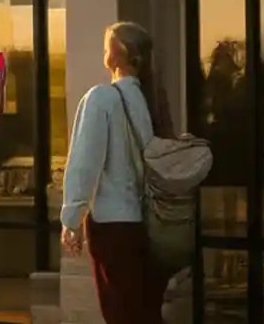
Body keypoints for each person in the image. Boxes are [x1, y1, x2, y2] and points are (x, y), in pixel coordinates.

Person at [60, 22, 173, 324]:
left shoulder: (102, 98)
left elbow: (84, 164)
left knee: (120, 310)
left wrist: (71, 219)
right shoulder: (150, 101)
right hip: (148, 224)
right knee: (144, 310)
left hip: (112, 224)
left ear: (117, 54)